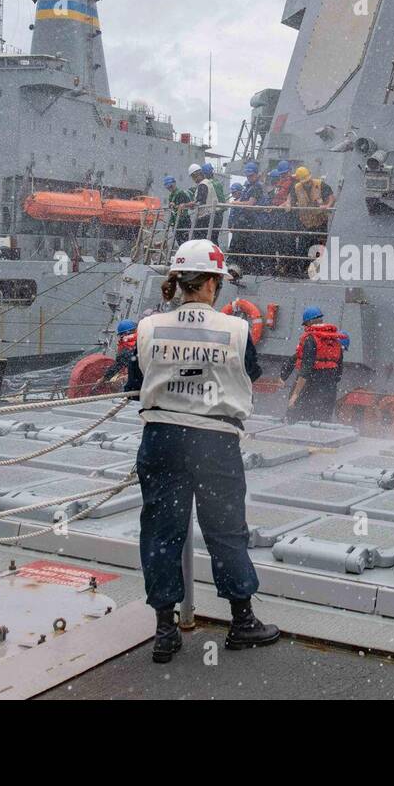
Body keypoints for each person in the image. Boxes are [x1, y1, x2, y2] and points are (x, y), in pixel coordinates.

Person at [133, 239, 280, 663]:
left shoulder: (149, 327)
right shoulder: (235, 329)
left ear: (178, 281)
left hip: (161, 438)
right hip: (214, 441)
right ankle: (242, 621)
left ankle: (165, 630)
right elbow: (251, 371)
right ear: (215, 283)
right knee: (225, 530)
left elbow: (134, 380)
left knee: (161, 531)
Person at [279, 306, 344, 423]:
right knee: (321, 423)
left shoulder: (310, 339)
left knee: (296, 418)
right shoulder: (335, 341)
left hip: (310, 386)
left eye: (305, 325)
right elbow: (339, 373)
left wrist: (295, 395)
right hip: (329, 390)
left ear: (309, 322)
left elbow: (305, 368)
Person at [284, 166, 336, 275]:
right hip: (305, 223)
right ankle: (303, 270)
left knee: (319, 247)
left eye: (308, 181)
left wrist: (327, 205)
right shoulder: (296, 188)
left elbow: (331, 197)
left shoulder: (320, 184)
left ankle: (319, 270)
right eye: (304, 182)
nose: (307, 183)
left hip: (320, 223)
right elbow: (290, 197)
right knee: (303, 247)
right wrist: (288, 203)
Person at [102, 319, 142, 393]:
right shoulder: (143, 340)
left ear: (123, 335)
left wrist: (103, 379)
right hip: (150, 379)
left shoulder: (127, 349)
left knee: (116, 385)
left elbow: (116, 366)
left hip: (139, 382)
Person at [185, 163, 221, 241]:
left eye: (192, 177)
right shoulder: (207, 182)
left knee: (199, 240)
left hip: (207, 217)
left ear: (195, 175)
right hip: (213, 215)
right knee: (211, 240)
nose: (193, 179)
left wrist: (187, 205)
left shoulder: (203, 185)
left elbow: (200, 202)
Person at [162, 175, 192, 246]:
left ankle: (185, 255)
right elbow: (173, 211)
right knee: (181, 242)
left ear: (174, 183)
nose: (169, 188)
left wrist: (175, 206)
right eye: (168, 187)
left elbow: (185, 207)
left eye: (170, 186)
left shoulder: (180, 193)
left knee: (184, 243)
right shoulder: (171, 196)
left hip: (183, 222)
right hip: (176, 222)